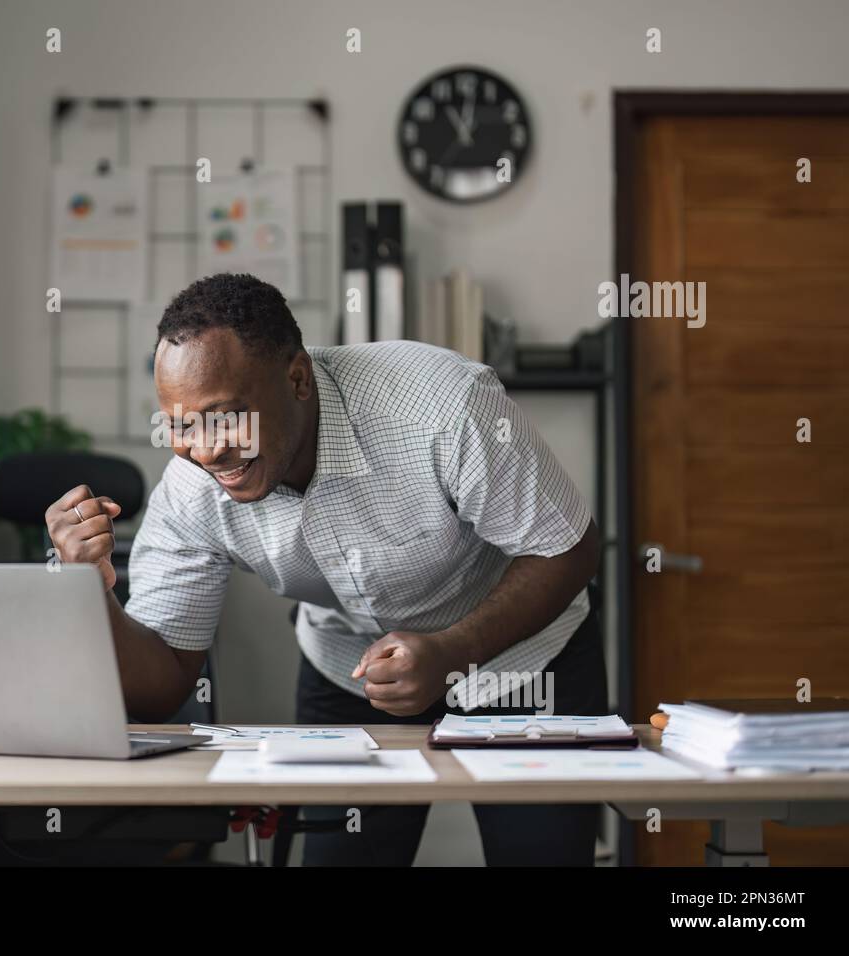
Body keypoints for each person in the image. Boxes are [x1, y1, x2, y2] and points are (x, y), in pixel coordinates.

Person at [45, 272, 605, 866]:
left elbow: (568, 545)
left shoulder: (442, 407)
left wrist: (452, 652)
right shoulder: (191, 491)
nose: (207, 451)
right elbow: (161, 688)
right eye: (182, 425)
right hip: (352, 672)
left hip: (519, 661)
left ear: (297, 378)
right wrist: (89, 587)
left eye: (228, 417)